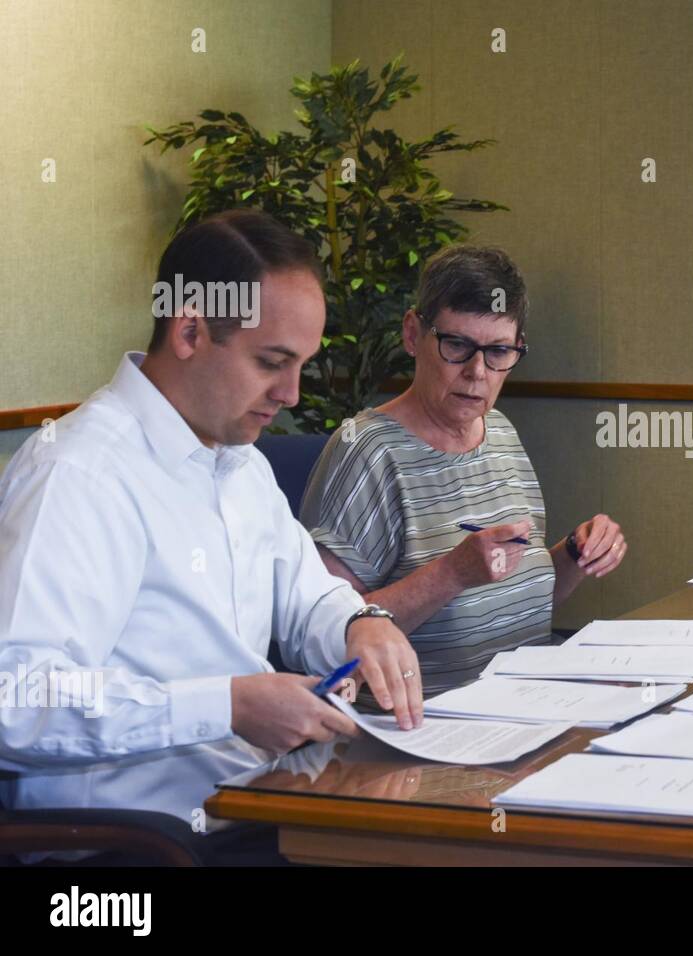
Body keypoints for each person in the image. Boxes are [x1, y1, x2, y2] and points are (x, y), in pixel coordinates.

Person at [0, 210, 420, 862]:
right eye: (272, 362)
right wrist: (223, 706)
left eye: (303, 364)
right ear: (191, 329)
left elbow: (308, 596)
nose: (291, 392)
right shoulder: (76, 472)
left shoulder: (240, 461)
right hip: (133, 850)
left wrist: (358, 623)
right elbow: (16, 701)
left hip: (255, 808)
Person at [301, 245, 627, 698]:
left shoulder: (499, 430)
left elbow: (515, 605)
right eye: (457, 345)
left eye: (498, 352)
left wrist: (574, 554)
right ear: (413, 334)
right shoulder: (366, 452)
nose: (478, 372)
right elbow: (327, 640)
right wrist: (450, 573)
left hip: (522, 708)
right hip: (420, 726)